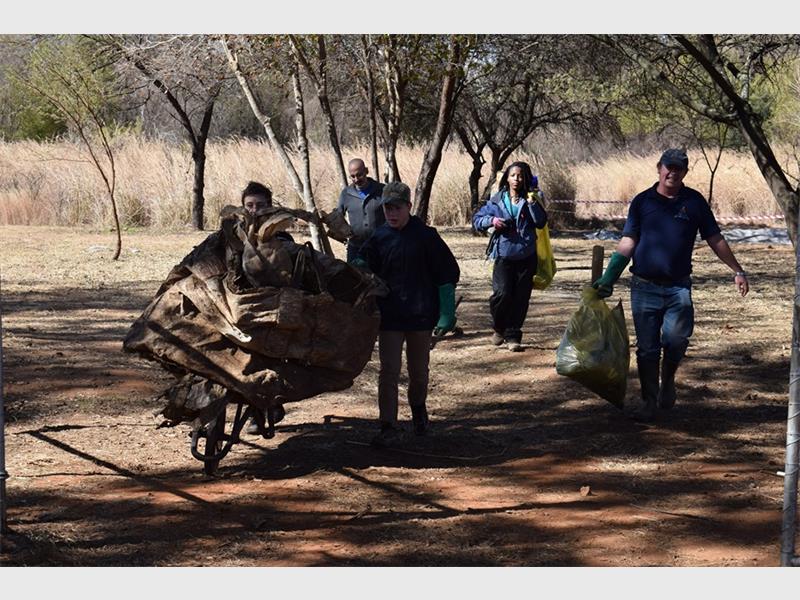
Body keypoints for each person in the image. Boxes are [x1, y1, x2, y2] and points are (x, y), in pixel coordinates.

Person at [592, 148, 749, 421]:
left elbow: (715, 239)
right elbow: (628, 241)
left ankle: (668, 381)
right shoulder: (642, 202)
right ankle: (649, 401)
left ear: (685, 172)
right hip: (644, 287)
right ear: (659, 168)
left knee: (676, 340)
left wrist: (737, 270)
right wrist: (609, 277)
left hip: (678, 288)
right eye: (669, 167)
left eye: (679, 168)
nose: (673, 173)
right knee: (647, 348)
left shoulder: (694, 202)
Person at [357, 182, 460, 447]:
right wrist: (357, 265)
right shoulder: (379, 237)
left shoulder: (426, 237)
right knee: (388, 371)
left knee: (419, 372)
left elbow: (447, 274)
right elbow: (363, 264)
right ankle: (388, 425)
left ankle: (418, 409)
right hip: (390, 316)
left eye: (397, 208)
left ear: (409, 207)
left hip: (420, 315)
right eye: (387, 208)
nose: (392, 213)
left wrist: (446, 312)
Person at [472, 161, 548, 352]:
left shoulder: (533, 199)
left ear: (526, 178)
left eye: (520, 176)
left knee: (520, 298)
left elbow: (540, 222)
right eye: (513, 175)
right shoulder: (497, 200)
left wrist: (532, 202)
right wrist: (492, 220)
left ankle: (513, 335)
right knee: (502, 294)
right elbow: (477, 220)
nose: (516, 179)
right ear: (507, 178)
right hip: (503, 255)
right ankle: (499, 327)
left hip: (527, 257)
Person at [238, 181, 289, 435]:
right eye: (249, 205)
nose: (254, 210)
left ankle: (270, 405)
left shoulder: (282, 238)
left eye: (260, 205)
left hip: (274, 308)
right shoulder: (234, 236)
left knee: (270, 359)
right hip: (241, 307)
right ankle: (256, 411)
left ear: (269, 206)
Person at [337, 158, 385, 263]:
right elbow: (337, 217)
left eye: (359, 175)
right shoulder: (346, 194)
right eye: (352, 176)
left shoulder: (382, 190)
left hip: (380, 246)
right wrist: (344, 232)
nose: (356, 179)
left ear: (366, 171)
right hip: (355, 248)